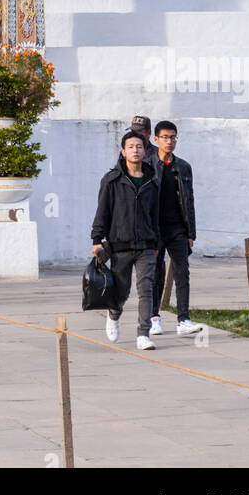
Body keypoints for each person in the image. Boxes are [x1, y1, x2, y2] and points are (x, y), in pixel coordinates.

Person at [90, 129, 159, 349]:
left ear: (145, 150)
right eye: (131, 147)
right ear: (123, 151)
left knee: (146, 289)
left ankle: (143, 334)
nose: (135, 150)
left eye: (139, 146)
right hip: (120, 245)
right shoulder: (111, 180)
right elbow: (103, 211)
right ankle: (114, 314)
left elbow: (155, 215)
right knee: (121, 290)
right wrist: (96, 238)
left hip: (146, 245)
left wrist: (156, 242)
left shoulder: (152, 180)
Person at [150, 120, 202, 337]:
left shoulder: (183, 167)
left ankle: (183, 319)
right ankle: (153, 318)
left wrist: (191, 233)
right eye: (165, 137)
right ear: (156, 139)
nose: (169, 141)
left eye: (172, 137)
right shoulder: (148, 165)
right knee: (155, 274)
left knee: (182, 273)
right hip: (154, 229)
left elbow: (189, 201)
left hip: (178, 229)